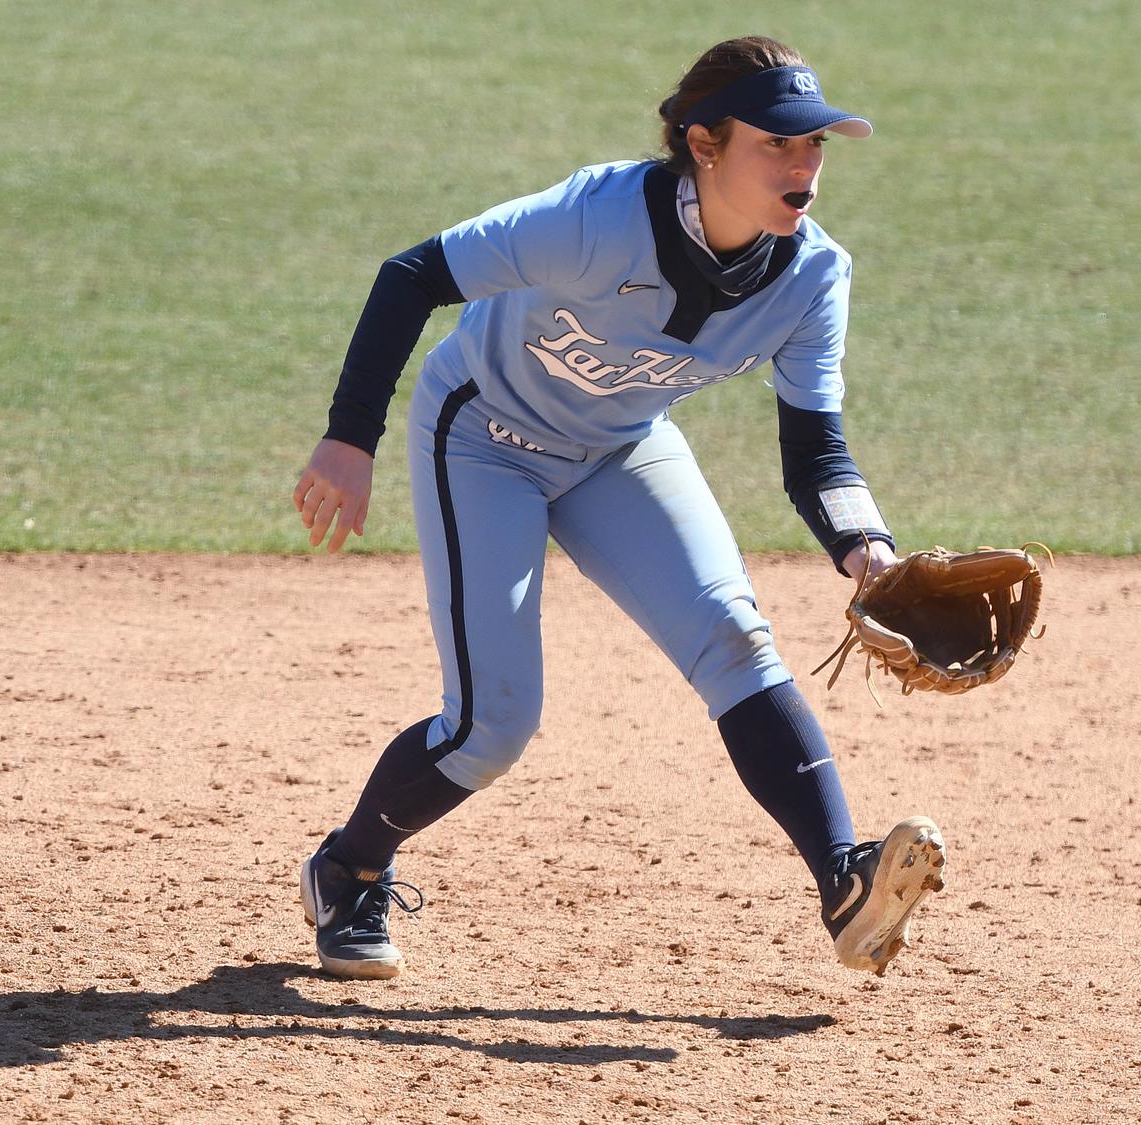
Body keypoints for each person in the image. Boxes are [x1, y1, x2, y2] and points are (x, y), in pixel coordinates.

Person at [291, 36, 945, 980]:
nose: (804, 165)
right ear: (704, 144)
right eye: (779, 143)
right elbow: (413, 275)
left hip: (620, 446)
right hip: (484, 439)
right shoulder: (594, 217)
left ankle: (844, 883)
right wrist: (349, 437)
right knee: (492, 725)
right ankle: (347, 867)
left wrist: (868, 549)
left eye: (816, 147)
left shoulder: (813, 276)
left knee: (734, 639)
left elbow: (817, 450)